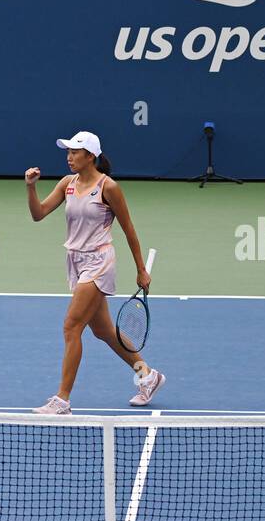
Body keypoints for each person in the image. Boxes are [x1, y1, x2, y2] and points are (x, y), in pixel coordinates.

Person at [26, 131, 165, 413]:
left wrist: (141, 269)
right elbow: (38, 213)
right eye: (67, 152)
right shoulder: (67, 184)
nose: (69, 157)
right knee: (103, 331)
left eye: (75, 152)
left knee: (71, 326)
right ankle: (148, 376)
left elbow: (128, 229)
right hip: (75, 262)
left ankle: (62, 399)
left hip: (98, 262)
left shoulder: (108, 187)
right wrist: (30, 187)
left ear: (91, 156)